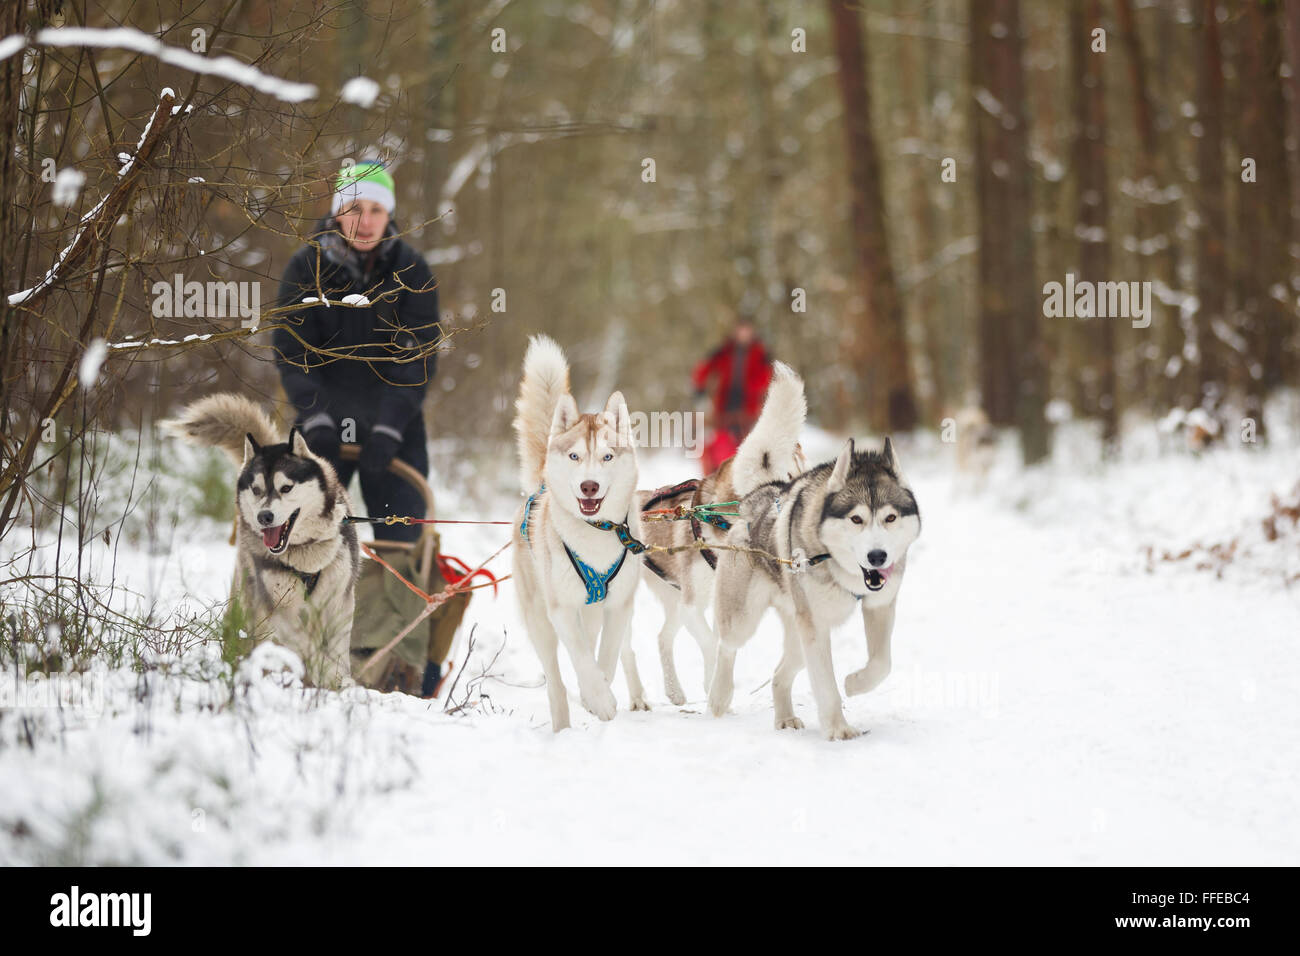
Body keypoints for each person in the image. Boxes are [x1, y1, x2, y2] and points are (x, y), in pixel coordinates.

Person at [272, 160, 440, 543]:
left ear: (389, 214)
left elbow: (418, 358)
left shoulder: (413, 271)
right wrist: (316, 418)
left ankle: (394, 598)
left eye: (376, 210)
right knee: (306, 537)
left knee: (401, 538)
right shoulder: (305, 267)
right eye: (354, 209)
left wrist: (388, 427)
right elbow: (294, 353)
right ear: (337, 213)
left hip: (396, 423)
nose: (365, 221)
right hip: (322, 421)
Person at [692, 318, 774, 474]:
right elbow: (704, 368)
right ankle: (712, 479)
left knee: (750, 448)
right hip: (724, 410)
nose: (743, 334)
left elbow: (767, 379)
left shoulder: (761, 354)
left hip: (748, 412)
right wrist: (699, 388)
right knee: (715, 447)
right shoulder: (725, 351)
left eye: (747, 330)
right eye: (741, 330)